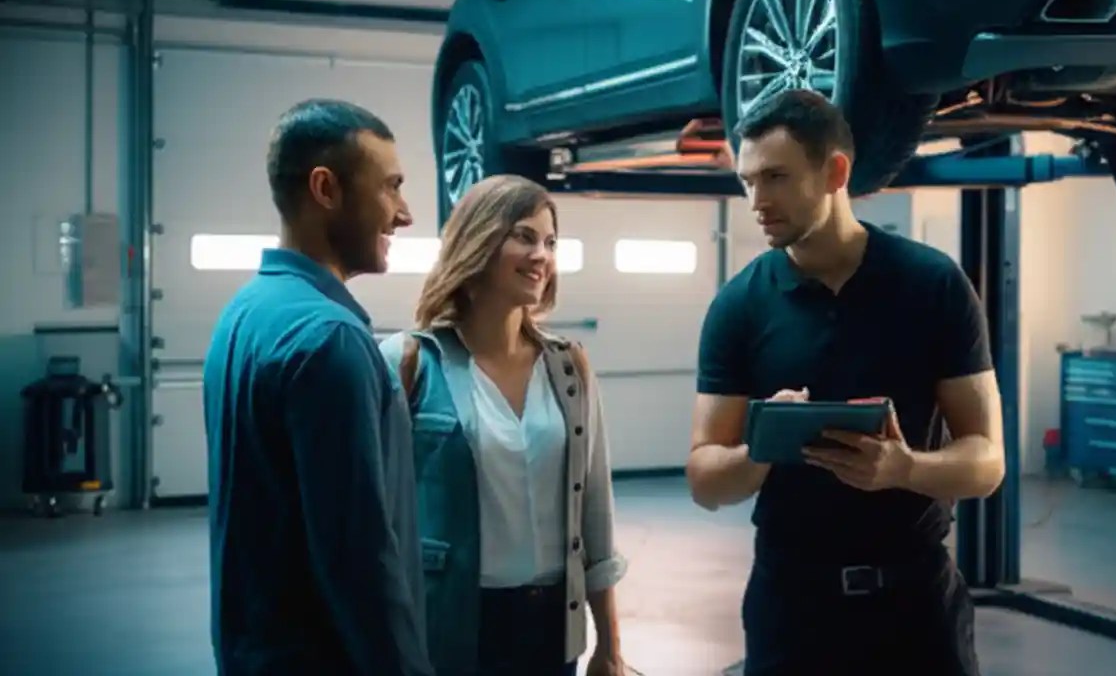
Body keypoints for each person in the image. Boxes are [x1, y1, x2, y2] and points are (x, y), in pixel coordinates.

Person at [686, 89, 1006, 675]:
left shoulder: (933, 286)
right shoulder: (739, 306)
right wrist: (762, 447)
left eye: (776, 177)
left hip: (916, 610)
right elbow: (705, 480)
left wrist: (904, 469)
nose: (757, 201)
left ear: (836, 171)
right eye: (748, 181)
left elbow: (987, 462)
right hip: (792, 610)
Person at [202, 98, 433, 675]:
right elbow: (359, 557)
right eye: (391, 187)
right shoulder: (331, 340)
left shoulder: (245, 313)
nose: (404, 214)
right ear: (326, 188)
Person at [378, 174, 629, 676]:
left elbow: (595, 514)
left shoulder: (568, 367)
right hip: (451, 622)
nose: (542, 255)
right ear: (479, 241)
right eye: (524, 236)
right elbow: (377, 518)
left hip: (552, 626)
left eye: (550, 242)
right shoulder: (409, 361)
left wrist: (609, 643)